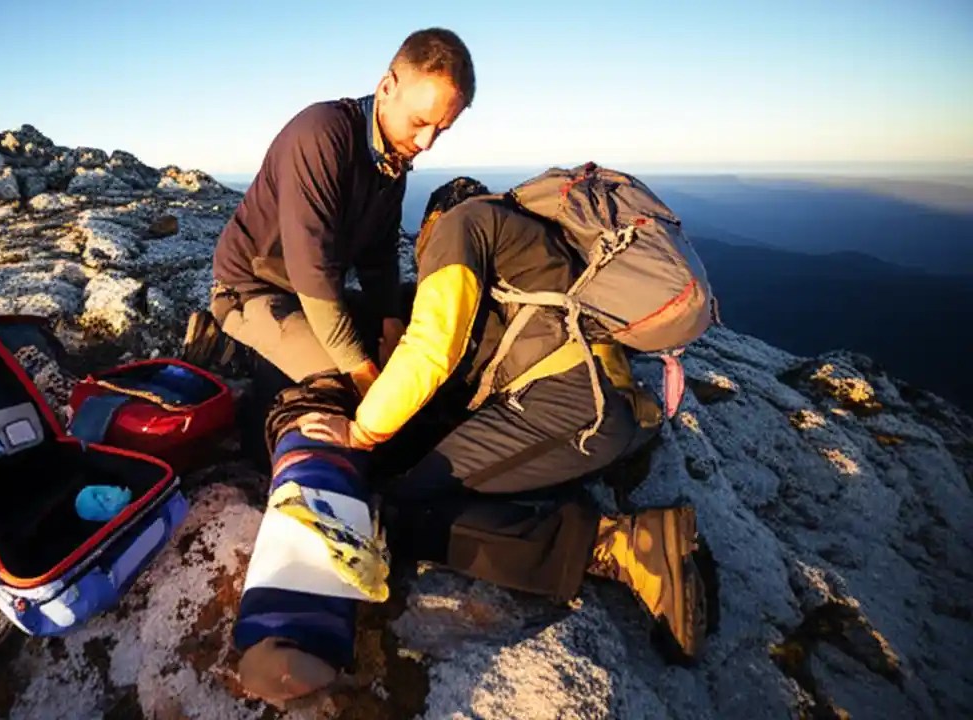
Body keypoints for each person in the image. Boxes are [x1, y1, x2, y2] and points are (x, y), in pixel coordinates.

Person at [298, 177, 708, 662]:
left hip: (572, 411)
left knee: (400, 510)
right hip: (596, 404)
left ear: (433, 222)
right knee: (430, 454)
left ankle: (617, 544)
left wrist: (360, 431)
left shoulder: (458, 227)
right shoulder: (518, 239)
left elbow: (433, 348)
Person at [182, 28, 475, 464]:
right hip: (256, 289)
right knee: (336, 386)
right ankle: (261, 452)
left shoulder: (391, 159)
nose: (426, 142)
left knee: (414, 328)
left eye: (441, 129)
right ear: (387, 87)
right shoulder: (322, 135)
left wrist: (391, 326)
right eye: (419, 122)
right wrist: (363, 374)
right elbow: (310, 270)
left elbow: (378, 256)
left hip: (316, 291)